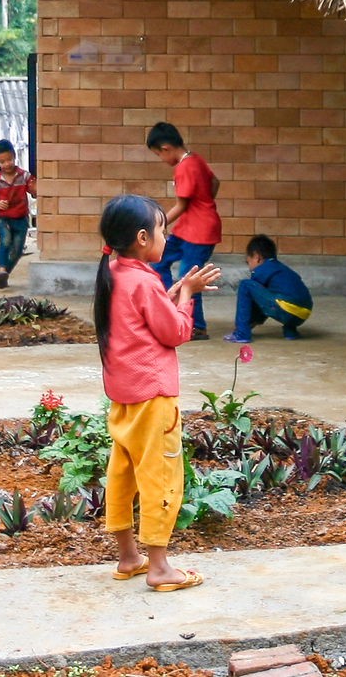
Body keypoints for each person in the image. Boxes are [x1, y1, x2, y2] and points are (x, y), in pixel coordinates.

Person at [95, 193, 220, 591]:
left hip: (124, 397)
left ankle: (128, 557)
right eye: (164, 231)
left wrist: (176, 290)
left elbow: (142, 316)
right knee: (160, 476)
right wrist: (187, 297)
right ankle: (160, 567)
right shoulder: (145, 281)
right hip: (154, 396)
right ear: (143, 238)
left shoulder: (114, 271)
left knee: (123, 472)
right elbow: (176, 332)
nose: (169, 238)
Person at [146, 121, 220, 340]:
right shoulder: (196, 159)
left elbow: (182, 205)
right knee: (158, 261)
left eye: (159, 155)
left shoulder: (184, 167)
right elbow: (215, 182)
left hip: (200, 233)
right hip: (187, 228)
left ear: (166, 148)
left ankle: (196, 326)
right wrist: (205, 203)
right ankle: (171, 308)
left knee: (187, 277)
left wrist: (156, 225)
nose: (162, 160)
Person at [224, 235, 313, 343]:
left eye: (248, 262)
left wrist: (246, 323)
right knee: (281, 294)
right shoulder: (282, 269)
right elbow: (264, 298)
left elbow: (254, 300)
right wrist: (255, 320)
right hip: (304, 314)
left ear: (257, 257)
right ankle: (290, 332)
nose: (249, 267)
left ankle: (241, 334)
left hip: (286, 309)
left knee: (245, 285)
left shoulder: (262, 269)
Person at [0, 139, 35, 290]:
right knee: (5, 242)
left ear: (14, 156)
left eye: (9, 159)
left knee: (18, 249)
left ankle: (5, 273)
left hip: (21, 217)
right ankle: (2, 270)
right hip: (5, 218)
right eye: (2, 161)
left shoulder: (24, 176)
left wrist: (36, 188)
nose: (7, 164)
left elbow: (34, 191)